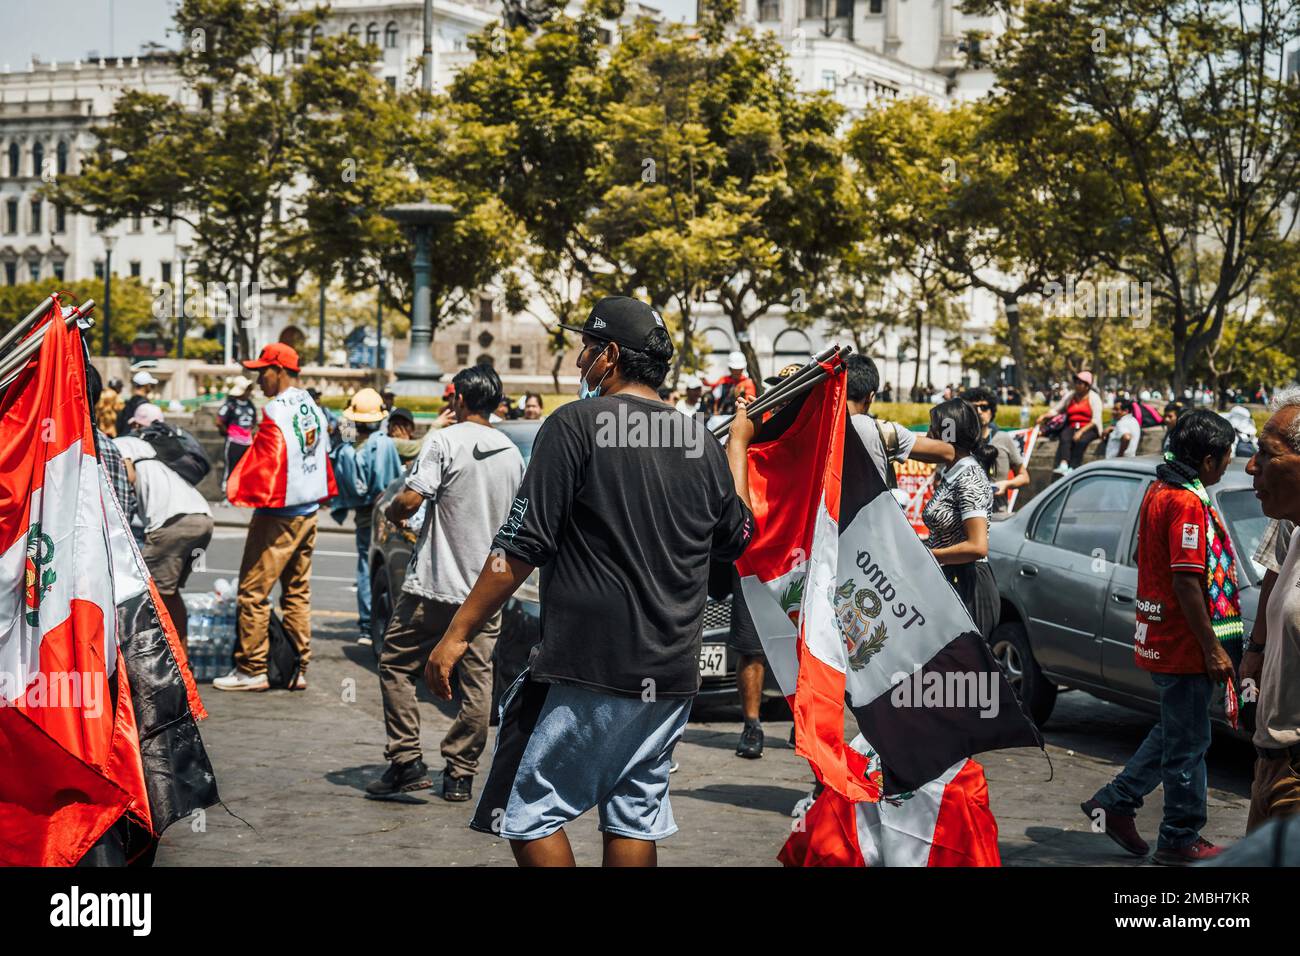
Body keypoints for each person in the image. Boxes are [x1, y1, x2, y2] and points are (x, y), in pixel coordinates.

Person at [420, 297, 755, 867]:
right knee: (632, 811)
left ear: (612, 356)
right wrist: (738, 449)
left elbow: (520, 548)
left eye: (588, 350)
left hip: (592, 663)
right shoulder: (699, 442)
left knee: (530, 811)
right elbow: (738, 535)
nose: (580, 362)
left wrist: (457, 632)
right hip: (671, 668)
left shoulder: (575, 425)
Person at [1082, 409, 1239, 864]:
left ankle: (1115, 803)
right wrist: (1212, 647)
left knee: (1179, 730)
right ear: (1209, 460)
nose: (1230, 464)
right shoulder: (1187, 503)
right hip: (1181, 641)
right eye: (1226, 456)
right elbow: (1188, 581)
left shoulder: (1159, 489)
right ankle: (1178, 836)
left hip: (1159, 633)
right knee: (1190, 743)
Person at [365, 365, 526, 803]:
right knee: (478, 686)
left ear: (459, 400)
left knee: (396, 665)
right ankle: (460, 773)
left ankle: (406, 760)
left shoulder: (445, 440)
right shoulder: (511, 452)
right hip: (485, 597)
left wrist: (394, 514)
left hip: (432, 589)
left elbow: (412, 498)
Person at [215, 343, 333, 693]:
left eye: (262, 371)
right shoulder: (311, 405)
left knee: (252, 592)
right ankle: (299, 667)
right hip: (308, 511)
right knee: (297, 592)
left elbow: (265, 466)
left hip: (278, 514)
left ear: (279, 370)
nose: (258, 379)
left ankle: (252, 668)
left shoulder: (276, 411)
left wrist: (237, 490)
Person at [1242, 388, 1300, 830]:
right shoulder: (1293, 533)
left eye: (1266, 453)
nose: (1250, 466)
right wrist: (1255, 650)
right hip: (1271, 765)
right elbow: (1271, 582)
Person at [114, 409, 215, 646]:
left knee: (143, 595)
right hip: (202, 517)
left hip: (171, 523)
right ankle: (183, 660)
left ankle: (157, 660)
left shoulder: (123, 443)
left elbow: (127, 476)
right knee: (169, 593)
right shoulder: (154, 449)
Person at [329, 387, 403, 646]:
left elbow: (342, 459)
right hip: (386, 511)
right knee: (383, 564)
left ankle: (366, 623)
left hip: (363, 513)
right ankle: (381, 620)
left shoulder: (348, 448)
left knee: (365, 564)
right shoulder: (383, 443)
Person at [921, 399, 1000, 640]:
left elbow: (977, 547)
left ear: (947, 434)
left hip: (969, 586)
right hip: (952, 581)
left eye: (932, 429)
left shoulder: (969, 478)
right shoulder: (953, 473)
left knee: (962, 674)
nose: (926, 435)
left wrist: (928, 556)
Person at [962, 386, 1029, 512]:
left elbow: (1024, 477)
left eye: (984, 407)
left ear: (992, 410)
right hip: (965, 516)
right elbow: (938, 481)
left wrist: (1006, 484)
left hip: (997, 514)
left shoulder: (1003, 438)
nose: (979, 411)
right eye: (974, 407)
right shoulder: (959, 442)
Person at [1038, 370, 1102, 475]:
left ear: (1087, 386)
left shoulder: (1094, 398)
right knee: (1065, 437)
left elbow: (1095, 420)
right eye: (1076, 382)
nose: (1077, 385)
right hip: (1072, 425)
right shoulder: (1071, 396)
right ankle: (1064, 464)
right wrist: (1044, 416)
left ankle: (1074, 467)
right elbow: (1057, 409)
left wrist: (1081, 432)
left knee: (1081, 441)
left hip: (1089, 427)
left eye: (1080, 383)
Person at [216, 375, 257, 489]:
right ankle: (227, 491)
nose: (249, 391)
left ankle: (241, 492)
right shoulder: (231, 404)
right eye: (247, 389)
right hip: (234, 442)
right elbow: (219, 421)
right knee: (231, 468)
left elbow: (253, 421)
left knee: (246, 469)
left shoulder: (250, 405)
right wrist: (229, 433)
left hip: (247, 442)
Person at [707, 350, 757, 417]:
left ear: (742, 369)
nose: (737, 372)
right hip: (718, 418)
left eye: (739, 369)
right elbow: (714, 395)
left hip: (739, 417)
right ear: (730, 368)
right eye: (735, 369)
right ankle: (699, 426)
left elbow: (749, 403)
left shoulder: (748, 383)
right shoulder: (723, 380)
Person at [116, 369, 160, 436]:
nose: (151, 388)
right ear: (146, 385)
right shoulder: (145, 405)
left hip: (123, 438)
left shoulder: (128, 402)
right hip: (136, 441)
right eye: (151, 385)